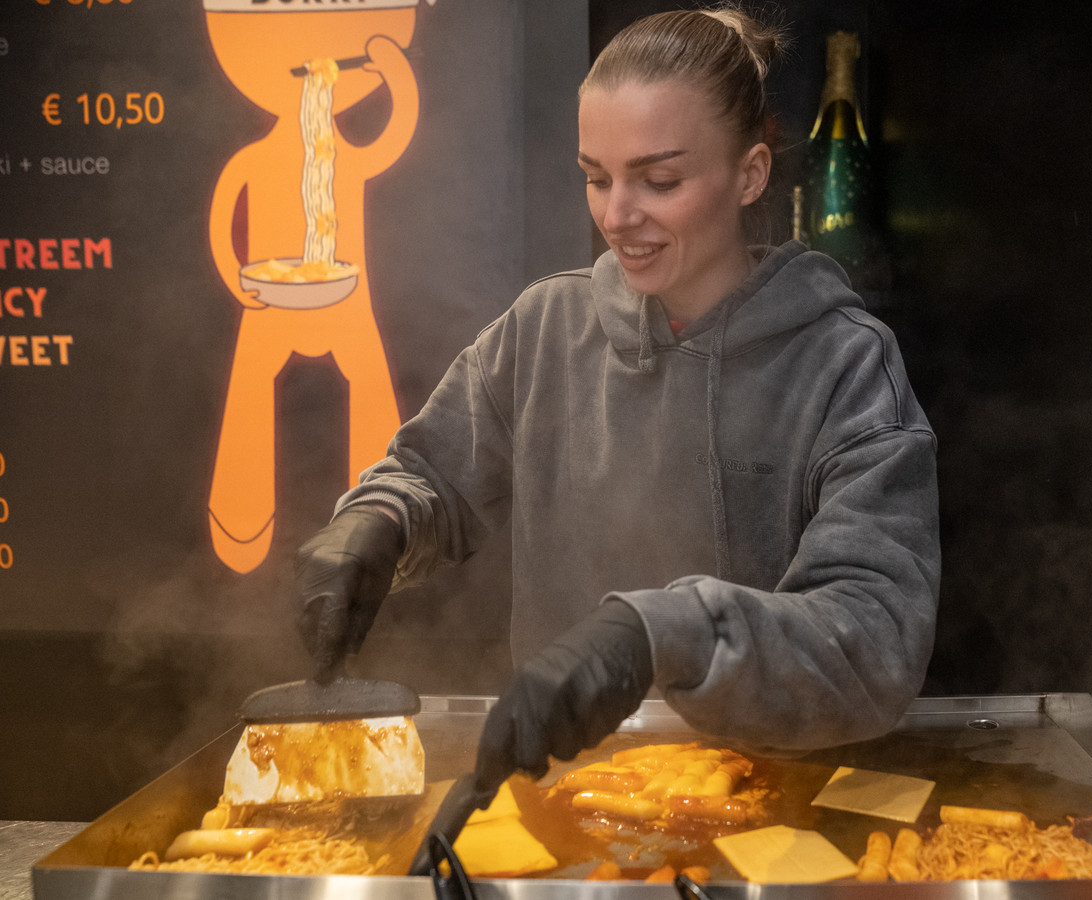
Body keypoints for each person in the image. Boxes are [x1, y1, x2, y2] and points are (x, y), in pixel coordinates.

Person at [295, 5, 940, 805]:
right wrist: (378, 525)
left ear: (752, 174)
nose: (615, 216)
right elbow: (430, 477)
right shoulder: (545, 329)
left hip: (770, 802)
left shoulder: (842, 361)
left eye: (658, 180)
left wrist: (657, 635)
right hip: (562, 798)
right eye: (597, 177)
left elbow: (873, 639)